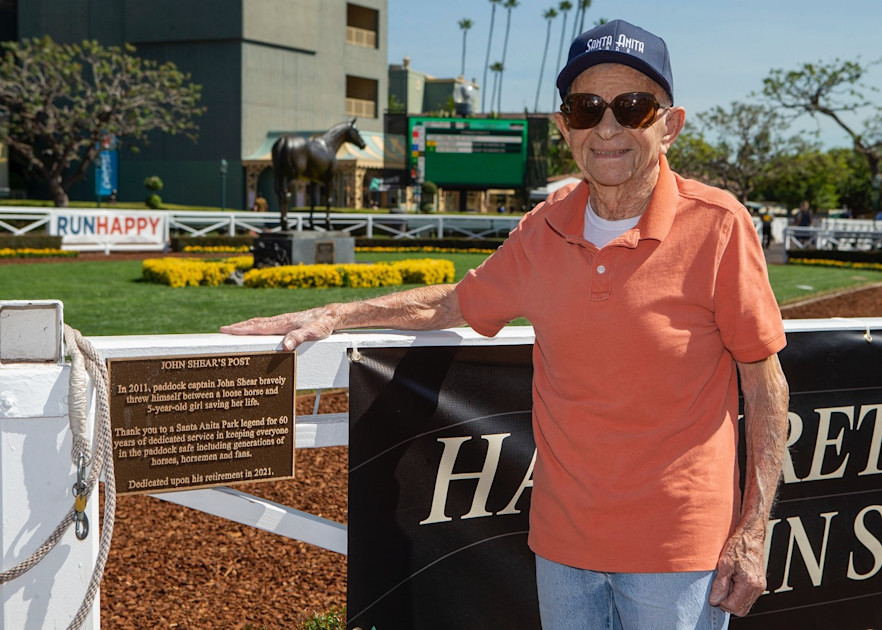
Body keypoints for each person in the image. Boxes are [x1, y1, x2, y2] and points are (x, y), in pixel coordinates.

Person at [222, 19, 789, 630]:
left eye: (632, 107)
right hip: (564, 548)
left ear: (668, 124)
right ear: (563, 126)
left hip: (679, 553)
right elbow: (452, 304)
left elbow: (764, 385)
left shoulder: (719, 225)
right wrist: (335, 313)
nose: (607, 128)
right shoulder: (542, 228)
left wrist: (753, 529)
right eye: (585, 107)